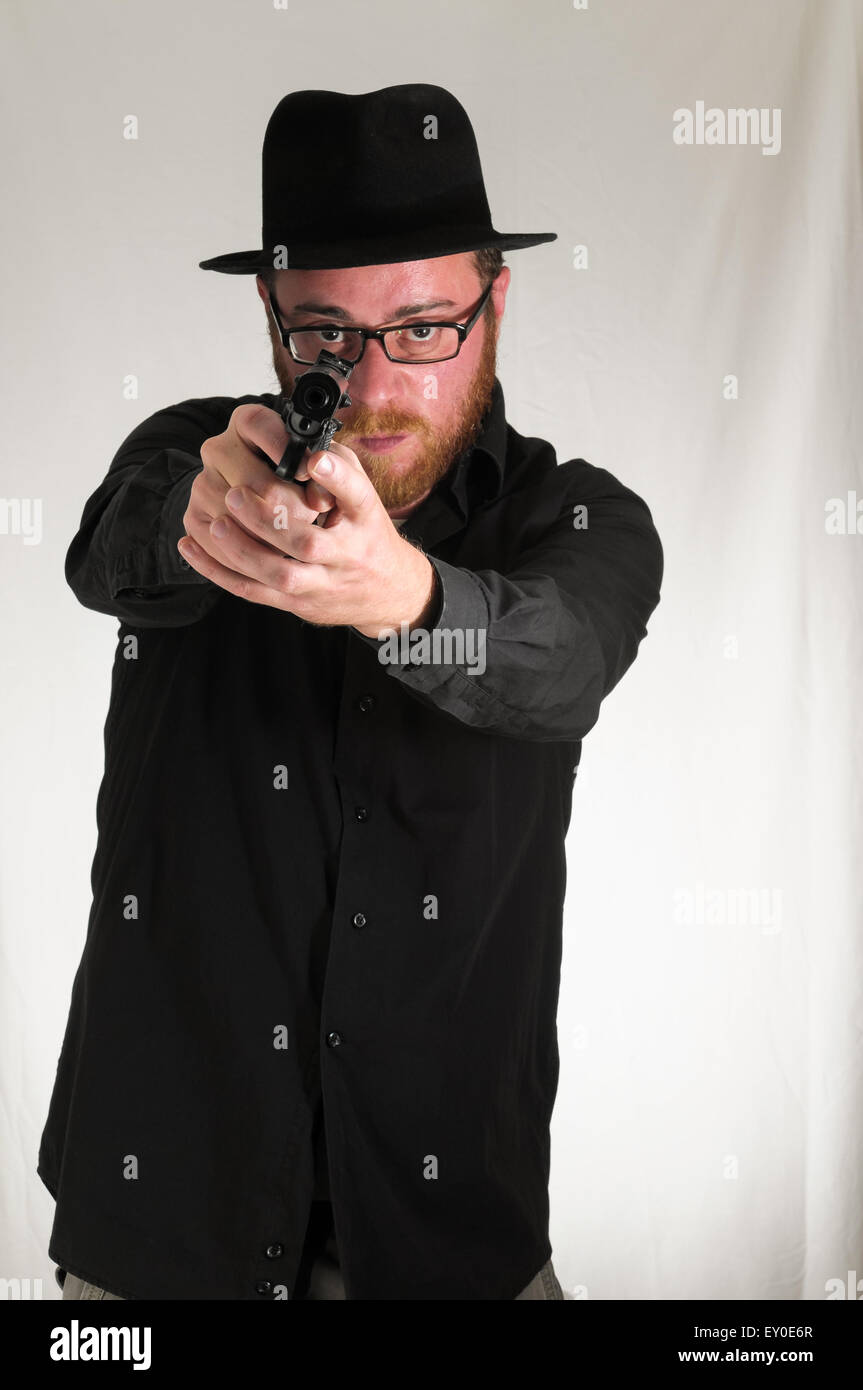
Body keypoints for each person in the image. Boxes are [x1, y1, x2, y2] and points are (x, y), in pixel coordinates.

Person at [39, 83, 663, 1300]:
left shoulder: (574, 518)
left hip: (447, 1242)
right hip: (162, 1235)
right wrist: (200, 517)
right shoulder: (192, 446)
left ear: (494, 299)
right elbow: (108, 552)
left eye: (423, 327)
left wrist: (405, 600)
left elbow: (564, 660)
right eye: (325, 333)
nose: (373, 386)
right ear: (271, 316)